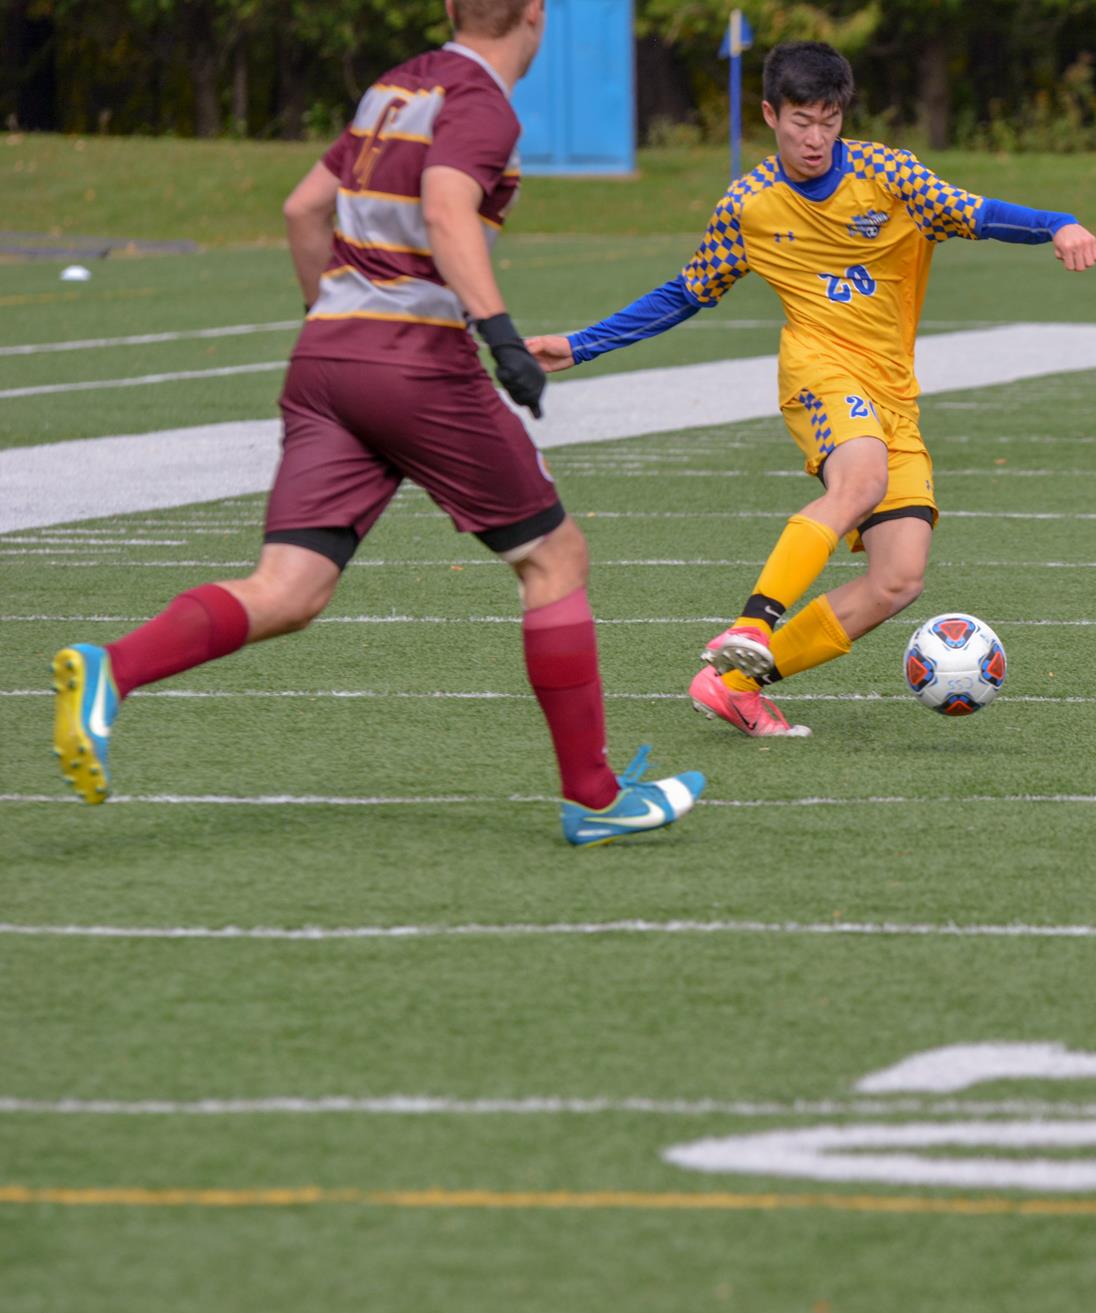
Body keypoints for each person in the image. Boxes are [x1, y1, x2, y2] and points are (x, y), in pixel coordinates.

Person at [49, 0, 703, 846]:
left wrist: (337, 325)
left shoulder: (394, 88)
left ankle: (113, 668)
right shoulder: (483, 104)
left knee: (290, 589)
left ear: (447, 8)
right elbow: (445, 207)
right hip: (416, 360)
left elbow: (302, 209)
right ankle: (595, 796)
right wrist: (498, 334)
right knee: (555, 555)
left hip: (324, 358)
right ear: (536, 15)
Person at [526, 40, 1096, 739]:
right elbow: (686, 292)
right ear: (770, 114)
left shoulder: (889, 175)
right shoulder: (748, 207)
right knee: (858, 480)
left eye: (828, 120)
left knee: (898, 580)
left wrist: (1056, 224)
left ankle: (733, 684)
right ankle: (752, 623)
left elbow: (973, 212)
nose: (815, 138)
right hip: (819, 372)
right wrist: (581, 344)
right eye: (801, 120)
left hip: (894, 391)